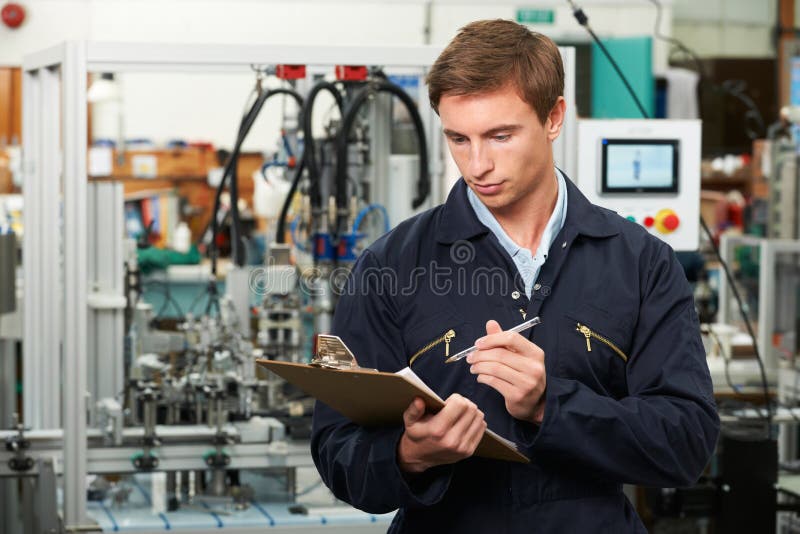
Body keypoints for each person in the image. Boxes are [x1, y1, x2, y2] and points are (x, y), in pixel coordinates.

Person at [311, 19, 719, 533]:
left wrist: (552, 405)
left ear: (554, 117)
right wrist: (409, 453)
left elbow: (686, 444)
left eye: (500, 136)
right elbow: (335, 449)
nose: (477, 164)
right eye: (458, 139)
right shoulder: (391, 267)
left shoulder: (642, 263)